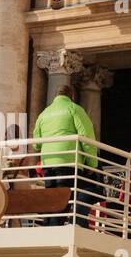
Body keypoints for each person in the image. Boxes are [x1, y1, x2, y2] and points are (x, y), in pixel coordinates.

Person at [32, 85, 98, 226]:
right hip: (68, 160)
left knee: (51, 198)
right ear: (71, 96)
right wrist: (92, 163)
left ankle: (47, 227)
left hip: (48, 163)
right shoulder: (74, 109)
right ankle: (53, 230)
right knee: (63, 200)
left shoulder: (44, 113)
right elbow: (87, 137)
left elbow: (36, 143)